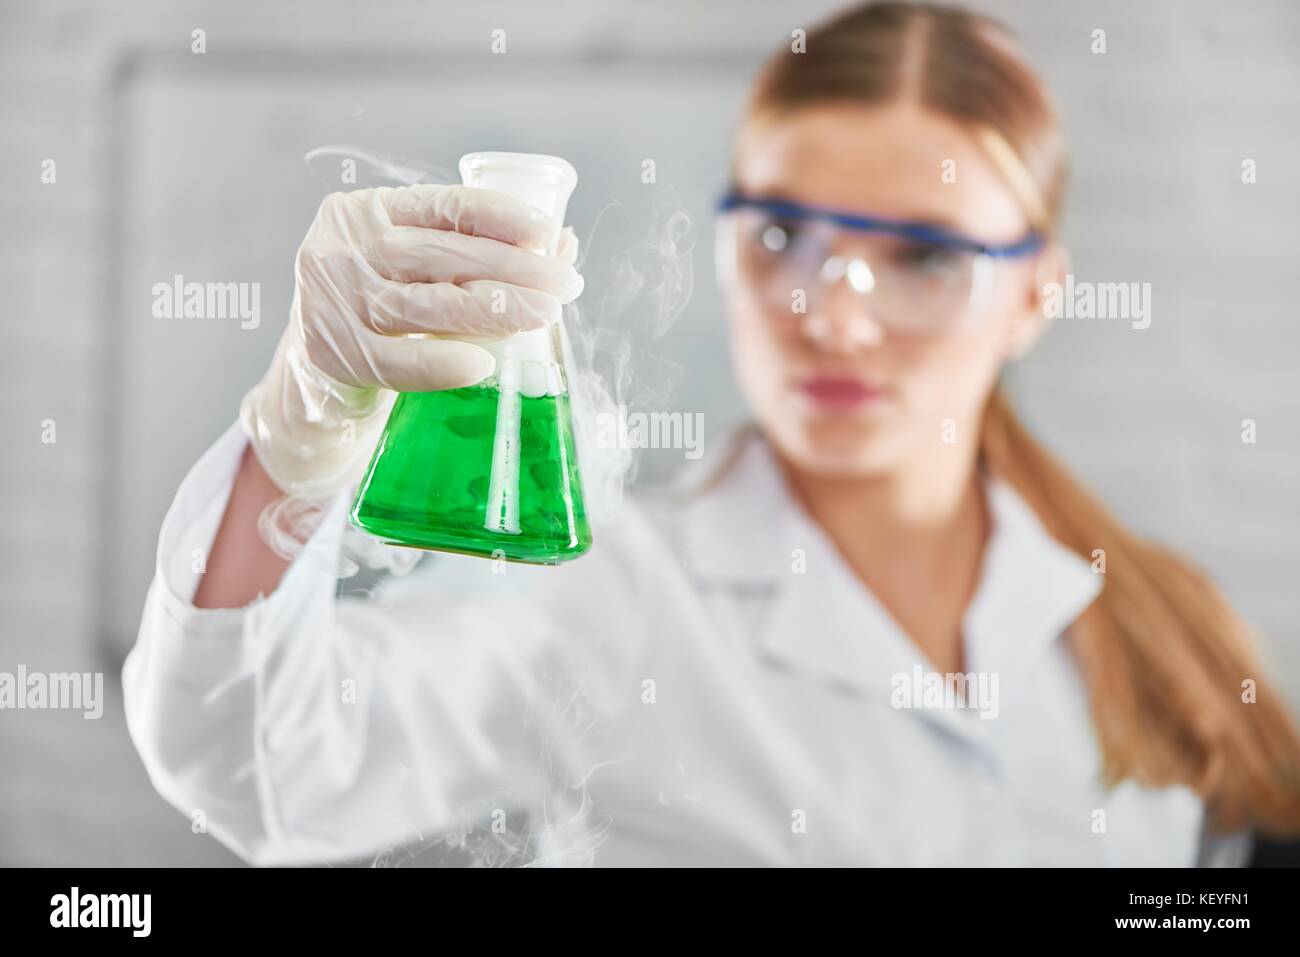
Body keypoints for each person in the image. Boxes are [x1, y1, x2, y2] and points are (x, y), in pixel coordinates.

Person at [122, 1, 1300, 866]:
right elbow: (258, 766)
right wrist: (301, 420)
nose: (832, 313)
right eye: (780, 234)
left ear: (1037, 294)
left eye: (925, 257)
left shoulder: (1158, 623)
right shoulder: (607, 595)